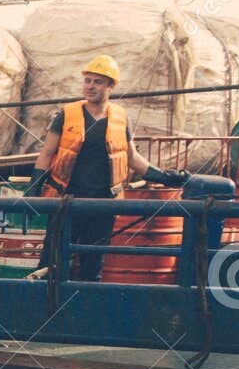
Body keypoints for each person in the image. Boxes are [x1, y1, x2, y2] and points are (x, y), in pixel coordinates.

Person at [27, 55, 187, 279]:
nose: (90, 86)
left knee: (93, 262)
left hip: (103, 203)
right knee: (53, 260)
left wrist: (164, 176)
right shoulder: (67, 114)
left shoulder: (121, 118)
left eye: (98, 82)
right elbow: (46, 154)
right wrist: (33, 188)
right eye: (87, 81)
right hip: (66, 201)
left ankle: (84, 308)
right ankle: (45, 309)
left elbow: (131, 157)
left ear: (111, 86)